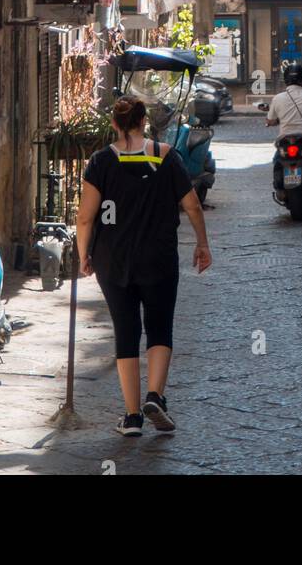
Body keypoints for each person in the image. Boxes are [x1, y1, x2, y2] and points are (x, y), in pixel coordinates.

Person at [76, 95, 212, 437]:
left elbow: (84, 217)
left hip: (113, 260)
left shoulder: (101, 162)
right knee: (159, 326)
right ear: (143, 122)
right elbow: (193, 205)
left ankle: (133, 416)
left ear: (114, 124)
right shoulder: (165, 155)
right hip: (159, 256)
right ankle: (156, 395)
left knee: (125, 331)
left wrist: (83, 254)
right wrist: (202, 243)